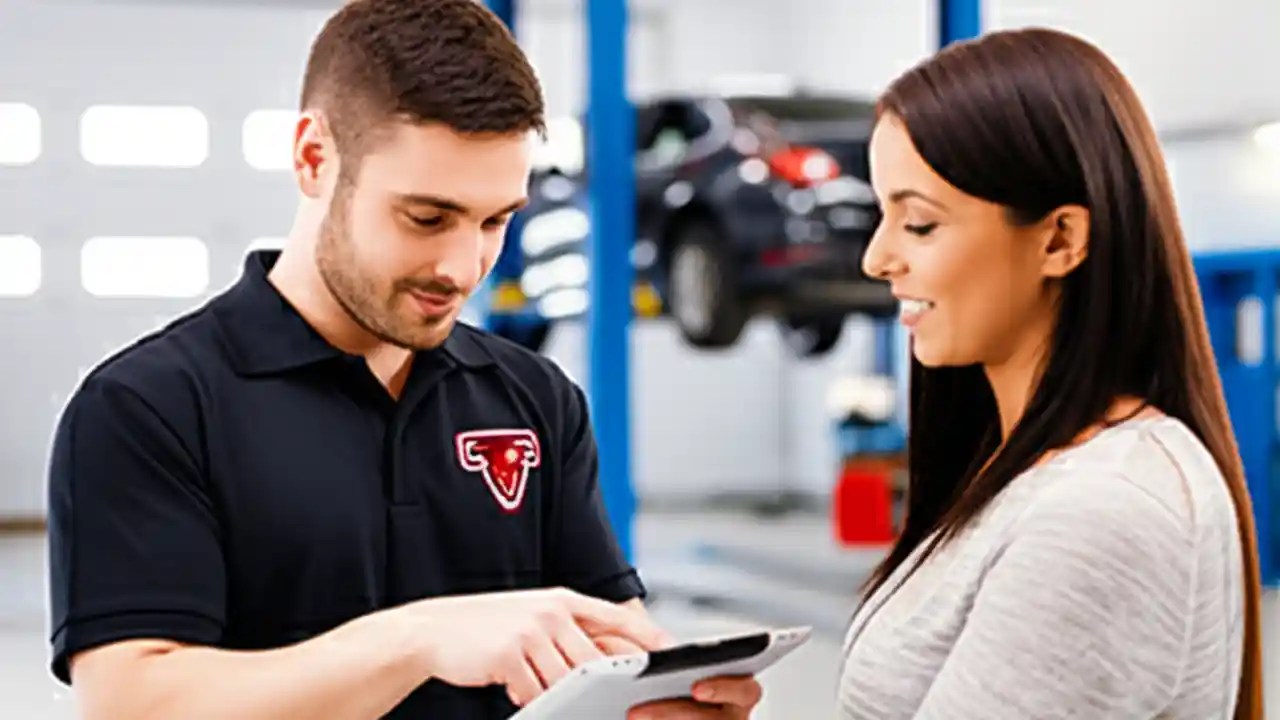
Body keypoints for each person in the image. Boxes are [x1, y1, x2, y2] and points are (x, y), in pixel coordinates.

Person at [44, 1, 761, 718]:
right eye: (427, 218)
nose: (462, 266)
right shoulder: (149, 410)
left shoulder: (536, 401)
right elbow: (137, 704)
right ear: (314, 158)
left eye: (495, 221)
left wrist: (664, 699)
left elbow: (607, 658)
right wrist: (421, 637)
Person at [839, 27, 1266, 720]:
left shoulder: (1101, 511)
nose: (877, 258)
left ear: (1060, 239)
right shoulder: (1023, 468)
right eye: (882, 214)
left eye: (918, 224)